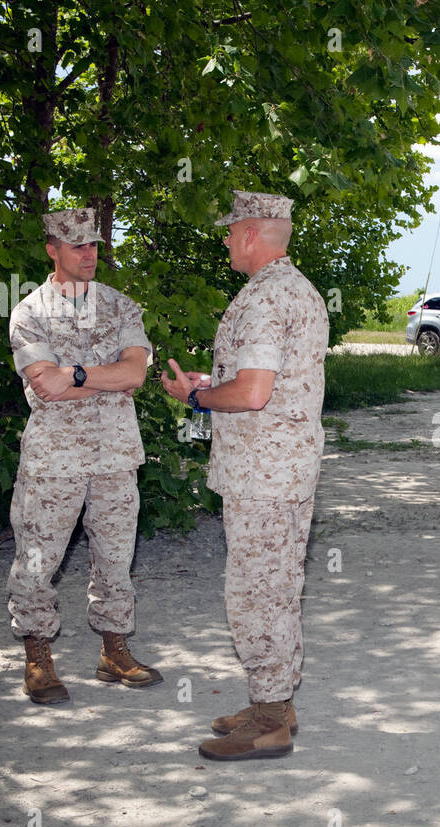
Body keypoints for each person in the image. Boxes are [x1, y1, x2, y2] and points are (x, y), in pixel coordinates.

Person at [161, 191, 328, 761]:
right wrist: (220, 380)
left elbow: (254, 395)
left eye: (232, 230)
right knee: (277, 589)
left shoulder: (263, 299)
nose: (226, 239)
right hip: (281, 467)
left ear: (252, 233)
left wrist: (200, 396)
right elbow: (269, 380)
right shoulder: (295, 289)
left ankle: (270, 721)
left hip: (264, 473)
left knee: (256, 594)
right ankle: (272, 704)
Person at [7, 207, 159, 705]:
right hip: (54, 461)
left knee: (116, 559)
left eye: (93, 244)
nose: (89, 253)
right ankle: (37, 656)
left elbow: (134, 375)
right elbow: (44, 387)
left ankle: (114, 650)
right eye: (77, 246)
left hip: (115, 457)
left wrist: (73, 374)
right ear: (52, 249)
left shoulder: (121, 307)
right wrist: (102, 375)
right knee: (37, 560)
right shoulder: (29, 312)